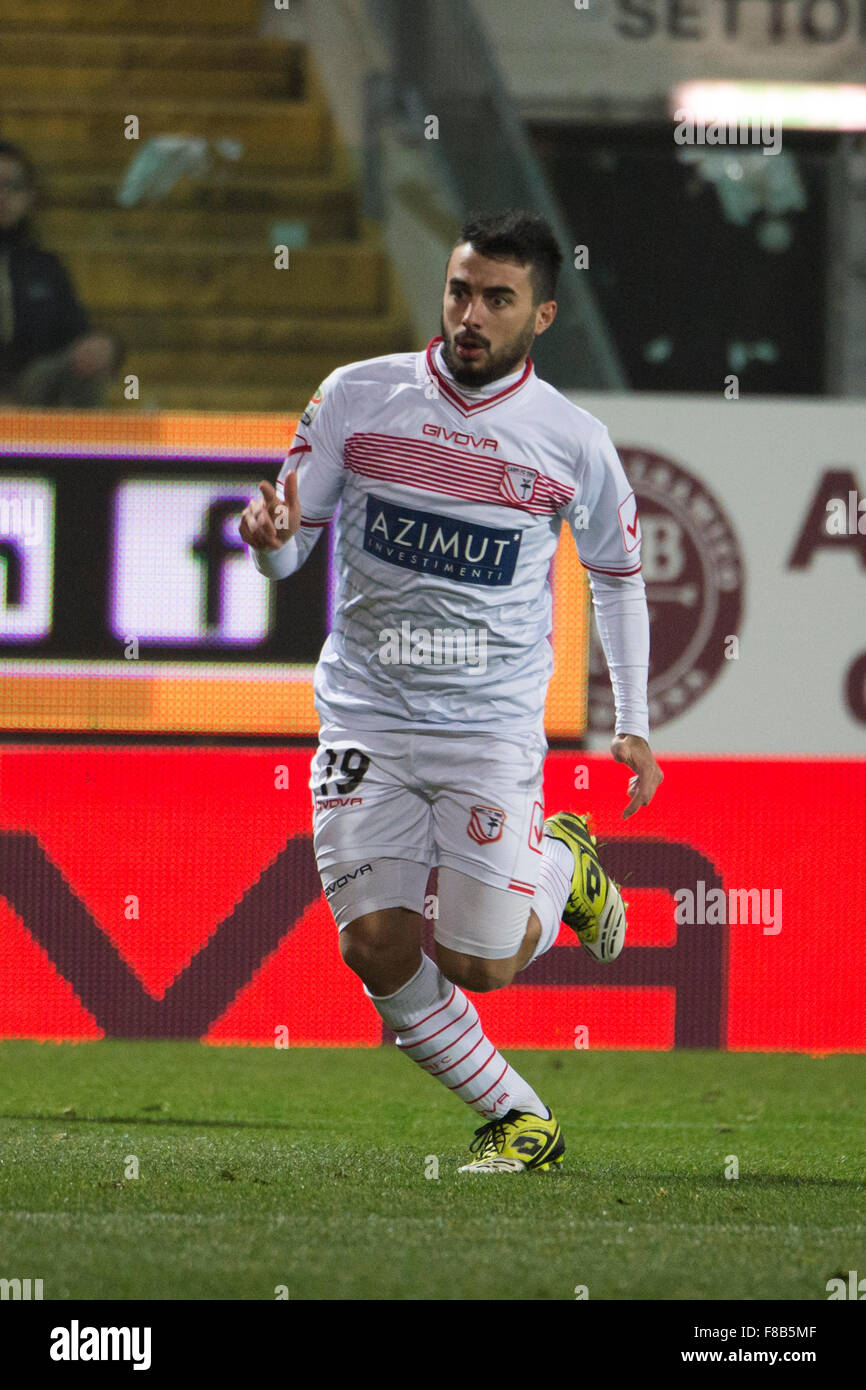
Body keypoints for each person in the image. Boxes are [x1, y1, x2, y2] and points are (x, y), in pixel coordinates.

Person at [240, 209, 663, 1174]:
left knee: (484, 965)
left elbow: (618, 575)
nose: (471, 313)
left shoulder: (572, 440)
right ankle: (522, 1120)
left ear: (542, 316)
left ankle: (563, 865)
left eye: (498, 299)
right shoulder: (357, 396)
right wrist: (270, 545)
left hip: (488, 729)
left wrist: (633, 722)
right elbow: (290, 539)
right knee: (376, 947)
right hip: (365, 716)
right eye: (460, 290)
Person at [0, 140, 122, 407]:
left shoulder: (45, 267)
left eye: (14, 186)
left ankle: (74, 446)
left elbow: (75, 333)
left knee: (89, 361)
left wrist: (103, 346)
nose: (3, 196)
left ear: (30, 196)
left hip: (34, 391)